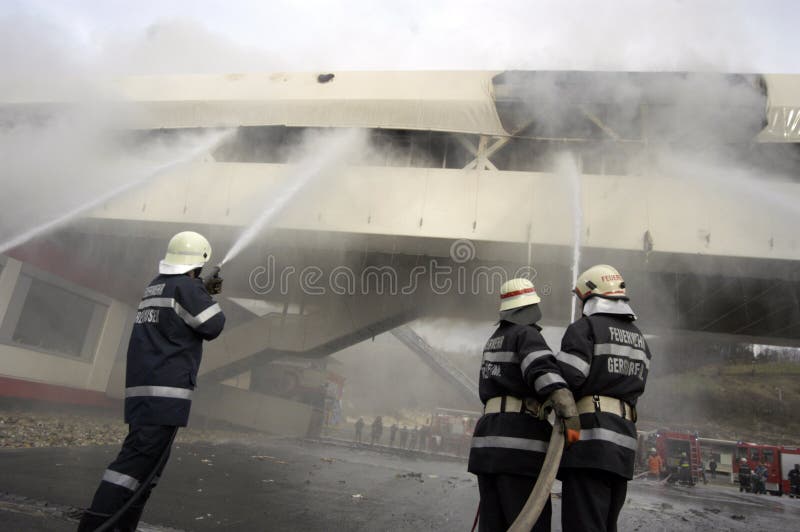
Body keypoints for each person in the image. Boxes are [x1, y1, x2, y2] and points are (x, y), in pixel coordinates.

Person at [78, 231, 225, 532]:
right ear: (199, 262)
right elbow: (213, 325)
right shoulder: (186, 288)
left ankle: (122, 527)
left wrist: (199, 291)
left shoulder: (156, 286)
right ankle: (95, 526)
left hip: (144, 392)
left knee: (146, 472)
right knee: (131, 468)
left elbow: (178, 320)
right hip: (164, 396)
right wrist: (202, 291)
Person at [468, 278, 579, 532]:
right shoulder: (526, 334)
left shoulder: (494, 339)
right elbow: (541, 371)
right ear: (531, 306)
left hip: (487, 445)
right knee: (527, 523)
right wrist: (566, 406)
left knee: (492, 524)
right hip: (518, 447)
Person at [556, 265, 651, 532]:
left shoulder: (585, 329)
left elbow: (567, 379)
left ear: (590, 295)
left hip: (590, 445)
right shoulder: (639, 339)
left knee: (583, 524)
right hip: (622, 449)